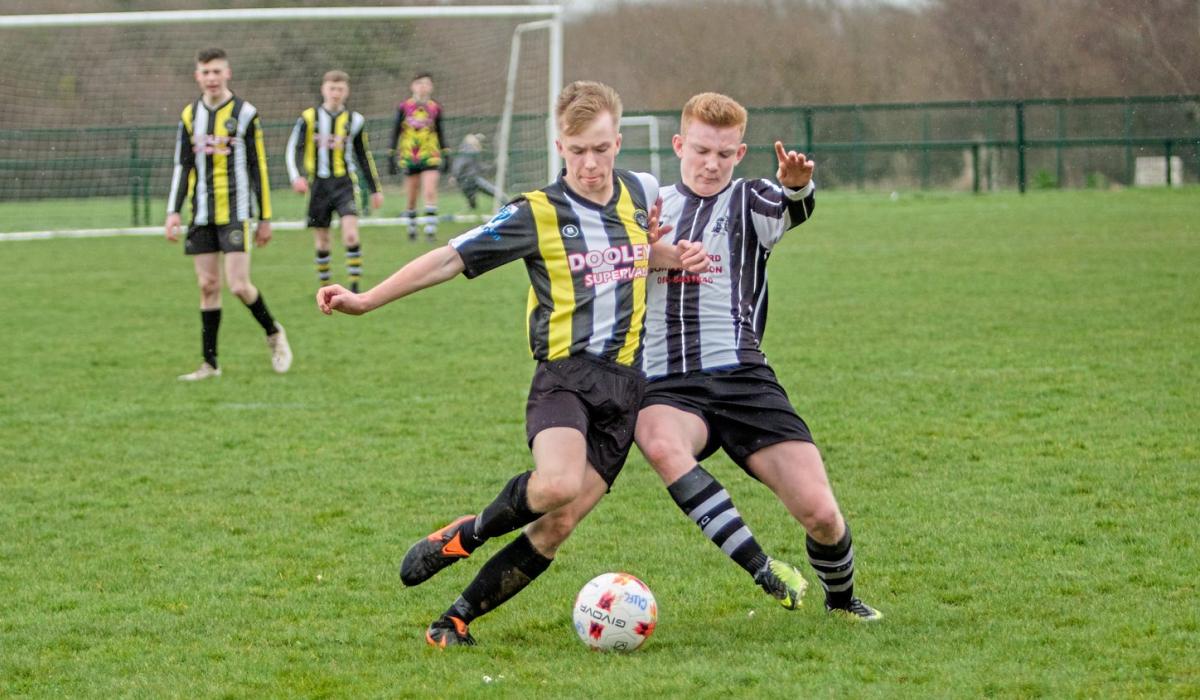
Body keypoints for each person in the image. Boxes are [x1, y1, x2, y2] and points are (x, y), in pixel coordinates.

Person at [317, 81, 708, 647]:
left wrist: (673, 255)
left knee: (557, 525)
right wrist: (366, 299)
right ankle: (468, 534)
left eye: (601, 149)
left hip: (625, 389)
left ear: (618, 142)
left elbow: (637, 255)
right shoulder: (536, 212)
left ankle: (453, 620)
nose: (590, 163)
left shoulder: (641, 191)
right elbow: (449, 259)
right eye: (578, 151)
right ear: (559, 146)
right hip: (565, 377)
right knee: (556, 485)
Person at [635, 92, 882, 621]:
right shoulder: (648, 205)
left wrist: (797, 186)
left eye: (724, 154)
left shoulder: (751, 197)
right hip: (667, 383)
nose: (711, 164)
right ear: (678, 145)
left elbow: (790, 208)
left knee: (821, 515)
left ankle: (842, 603)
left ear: (740, 154)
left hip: (744, 379)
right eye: (701, 150)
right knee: (659, 441)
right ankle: (761, 567)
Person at [165, 47, 292, 381]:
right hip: (201, 213)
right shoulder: (190, 115)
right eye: (206, 72)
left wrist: (265, 217)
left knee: (238, 285)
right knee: (208, 285)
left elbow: (258, 167)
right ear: (198, 76)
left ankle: (273, 332)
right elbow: (183, 166)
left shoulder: (245, 113)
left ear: (227, 73)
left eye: (217, 71)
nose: (211, 78)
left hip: (236, 211)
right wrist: (173, 211)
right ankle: (210, 364)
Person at [286, 70, 384, 294]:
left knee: (350, 234)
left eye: (340, 89)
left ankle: (355, 289)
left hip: (344, 184)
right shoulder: (309, 118)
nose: (335, 93)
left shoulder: (355, 120)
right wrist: (296, 176)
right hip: (319, 185)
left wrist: (375, 189)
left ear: (346, 92)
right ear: (323, 89)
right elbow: (293, 149)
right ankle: (325, 288)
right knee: (322, 240)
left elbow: (363, 156)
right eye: (332, 88)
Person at [388, 72, 446, 242]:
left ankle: (430, 229)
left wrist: (446, 153)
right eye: (419, 83)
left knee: (429, 190)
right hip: (410, 156)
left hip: (430, 155)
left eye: (426, 83)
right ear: (412, 86)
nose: (423, 87)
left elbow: (441, 132)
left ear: (431, 87)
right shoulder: (404, 107)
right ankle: (412, 227)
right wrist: (391, 155)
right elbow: (395, 132)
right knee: (412, 195)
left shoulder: (435, 108)